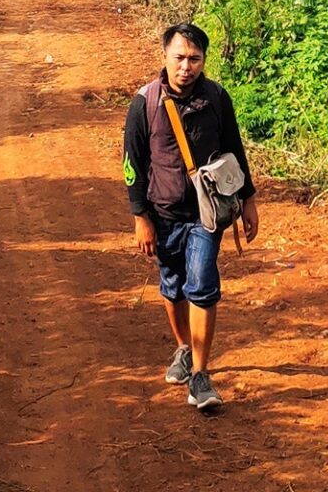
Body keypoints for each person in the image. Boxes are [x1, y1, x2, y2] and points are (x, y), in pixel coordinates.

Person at [122, 22, 259, 411]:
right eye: (179, 58)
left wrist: (248, 198)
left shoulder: (216, 98)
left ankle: (200, 374)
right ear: (164, 57)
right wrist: (140, 217)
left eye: (194, 59)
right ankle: (183, 347)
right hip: (162, 213)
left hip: (206, 214)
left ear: (204, 60)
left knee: (200, 283)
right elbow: (132, 163)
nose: (187, 66)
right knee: (172, 284)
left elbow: (234, 148)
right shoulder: (144, 103)